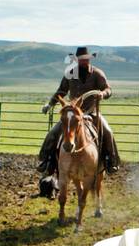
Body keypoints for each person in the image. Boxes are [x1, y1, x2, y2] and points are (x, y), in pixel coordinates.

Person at [39, 46, 120, 176]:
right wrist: (50, 104)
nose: (84, 61)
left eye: (86, 59)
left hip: (91, 113)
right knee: (53, 133)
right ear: (76, 60)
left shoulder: (97, 73)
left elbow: (108, 89)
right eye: (81, 59)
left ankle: (111, 161)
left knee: (108, 131)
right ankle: (46, 161)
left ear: (89, 59)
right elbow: (61, 91)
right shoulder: (70, 74)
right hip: (72, 114)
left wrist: (102, 94)